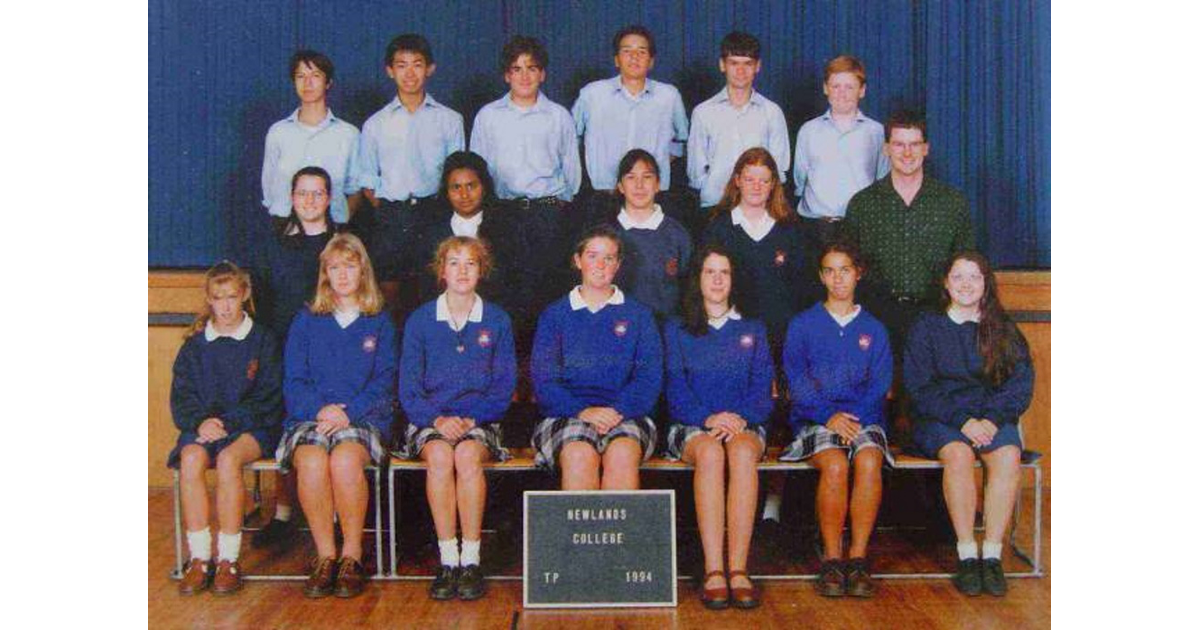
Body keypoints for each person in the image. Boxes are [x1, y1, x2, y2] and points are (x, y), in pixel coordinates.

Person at [904, 252, 1033, 598]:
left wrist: (990, 419)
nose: (965, 284)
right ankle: (966, 554)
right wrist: (963, 421)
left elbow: (1019, 384)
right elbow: (920, 387)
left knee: (1006, 456)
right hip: (942, 419)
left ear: (985, 283)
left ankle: (990, 554)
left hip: (990, 418)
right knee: (959, 456)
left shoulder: (1002, 327)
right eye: (958, 277)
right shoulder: (927, 327)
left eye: (974, 277)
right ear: (945, 282)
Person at [276, 233, 398, 599]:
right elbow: (293, 379)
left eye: (350, 265)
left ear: (363, 270)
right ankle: (325, 555)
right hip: (311, 416)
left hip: (362, 418)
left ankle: (352, 556)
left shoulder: (379, 321)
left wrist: (350, 413)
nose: (343, 274)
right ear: (325, 274)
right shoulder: (307, 319)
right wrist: (320, 410)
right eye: (334, 267)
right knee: (312, 462)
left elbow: (386, 380)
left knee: (345, 461)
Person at [397, 236, 517, 601]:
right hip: (429, 422)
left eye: (470, 263)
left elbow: (503, 387)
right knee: (439, 456)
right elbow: (408, 390)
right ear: (441, 270)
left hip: (480, 422)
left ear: (482, 270)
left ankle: (471, 561)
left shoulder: (497, 320)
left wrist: (469, 419)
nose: (462, 270)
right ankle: (447, 560)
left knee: (465, 456)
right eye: (454, 262)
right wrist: (436, 420)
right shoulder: (420, 320)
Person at [663, 245, 773, 610]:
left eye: (724, 272)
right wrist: (709, 419)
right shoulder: (677, 328)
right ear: (697, 279)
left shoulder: (753, 328)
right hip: (693, 424)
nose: (717, 280)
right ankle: (713, 569)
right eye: (709, 272)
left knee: (741, 451)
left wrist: (738, 417)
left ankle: (738, 568)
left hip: (743, 423)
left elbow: (762, 391)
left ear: (733, 279)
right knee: (710, 453)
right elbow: (675, 389)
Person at [781, 240, 892, 598]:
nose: (838, 279)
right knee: (835, 466)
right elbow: (795, 380)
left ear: (858, 274)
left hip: (862, 419)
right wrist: (828, 416)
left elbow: (880, 384)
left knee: (869, 460)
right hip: (816, 421)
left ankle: (857, 558)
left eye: (845, 270)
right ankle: (831, 558)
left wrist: (852, 420)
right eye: (830, 270)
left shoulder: (874, 329)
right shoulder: (803, 324)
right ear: (821, 276)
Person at [169, 261, 283, 596]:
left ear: (244, 295)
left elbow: (268, 396)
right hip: (204, 426)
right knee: (191, 458)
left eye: (232, 296)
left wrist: (228, 423)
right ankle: (200, 558)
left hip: (251, 426)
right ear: (209, 300)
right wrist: (201, 422)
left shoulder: (262, 339)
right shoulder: (194, 346)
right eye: (219, 298)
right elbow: (182, 398)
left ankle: (228, 560)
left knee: (230, 460)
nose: (226, 305)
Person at [530, 225, 663, 490]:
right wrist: (583, 411)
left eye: (609, 258)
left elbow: (649, 378)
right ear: (578, 260)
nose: (600, 264)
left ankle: (621, 534)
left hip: (626, 415)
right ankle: (580, 533)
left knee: (622, 453)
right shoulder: (555, 315)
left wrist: (616, 411)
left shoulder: (639, 315)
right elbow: (544, 382)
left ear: (618, 265)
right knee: (579, 455)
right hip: (566, 414)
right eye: (592, 256)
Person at [251, 166, 342, 549]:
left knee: (332, 429)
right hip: (286, 349)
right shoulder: (274, 246)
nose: (309, 201)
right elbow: (264, 305)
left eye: (317, 193)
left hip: (335, 351)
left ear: (329, 199)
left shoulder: (342, 244)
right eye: (302, 193)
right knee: (291, 428)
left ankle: (336, 516)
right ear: (290, 199)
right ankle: (284, 513)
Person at [470, 35, 582, 326]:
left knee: (547, 290)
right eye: (516, 68)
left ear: (542, 74)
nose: (524, 75)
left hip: (547, 214)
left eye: (531, 68)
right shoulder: (488, 116)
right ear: (506, 75)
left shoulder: (558, 116)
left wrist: (556, 208)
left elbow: (572, 173)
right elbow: (477, 170)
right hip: (503, 214)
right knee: (503, 290)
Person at [843, 110, 975, 349]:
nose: (907, 153)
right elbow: (850, 267)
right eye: (899, 144)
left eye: (914, 144)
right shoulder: (862, 204)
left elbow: (966, 263)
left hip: (936, 316)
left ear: (926, 148)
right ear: (886, 149)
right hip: (877, 319)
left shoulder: (952, 203)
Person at [352, 34, 465, 309]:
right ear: (390, 71)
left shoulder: (450, 120)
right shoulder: (375, 124)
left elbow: (459, 173)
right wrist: (390, 208)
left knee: (437, 293)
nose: (410, 73)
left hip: (435, 214)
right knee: (390, 296)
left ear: (430, 68)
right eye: (401, 65)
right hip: (392, 217)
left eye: (417, 64)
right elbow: (367, 178)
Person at [571, 25, 690, 232]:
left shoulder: (669, 96)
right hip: (604, 197)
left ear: (651, 60)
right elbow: (572, 140)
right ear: (616, 59)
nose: (634, 57)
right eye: (627, 51)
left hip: (652, 199)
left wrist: (651, 169)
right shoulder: (592, 95)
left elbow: (681, 142)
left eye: (641, 52)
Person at [701, 147, 808, 355]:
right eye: (750, 179)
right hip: (731, 339)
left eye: (764, 181)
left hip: (780, 338)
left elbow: (801, 289)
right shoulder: (718, 228)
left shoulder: (791, 229)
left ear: (773, 184)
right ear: (737, 180)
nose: (756, 187)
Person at [687, 31, 790, 239]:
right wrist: (714, 189)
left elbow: (779, 168)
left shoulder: (772, 112)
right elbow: (696, 171)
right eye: (734, 63)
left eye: (748, 63)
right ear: (722, 65)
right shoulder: (703, 112)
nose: (741, 71)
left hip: (760, 211)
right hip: (714, 207)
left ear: (757, 67)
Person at [792, 55, 889, 257]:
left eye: (849, 87)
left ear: (862, 90)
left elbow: (882, 179)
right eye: (836, 86)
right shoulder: (808, 131)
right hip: (816, 227)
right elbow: (800, 181)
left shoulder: (876, 132)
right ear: (825, 88)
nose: (842, 93)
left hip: (859, 228)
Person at [261, 50, 361, 228]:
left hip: (332, 227)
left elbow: (354, 189)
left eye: (315, 75)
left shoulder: (349, 134)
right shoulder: (278, 132)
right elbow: (269, 184)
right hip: (285, 226)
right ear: (294, 82)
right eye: (301, 76)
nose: (308, 83)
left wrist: (341, 224)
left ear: (328, 82)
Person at [414, 151, 515, 312]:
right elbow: (425, 289)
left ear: (484, 187)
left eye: (471, 186)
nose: (464, 195)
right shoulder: (431, 233)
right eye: (456, 187)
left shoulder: (506, 230)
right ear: (446, 191)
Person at [606, 149, 693, 319]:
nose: (639, 185)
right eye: (631, 177)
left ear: (658, 184)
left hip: (665, 330)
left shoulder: (677, 234)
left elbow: (688, 289)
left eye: (647, 177)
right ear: (620, 186)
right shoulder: (606, 234)